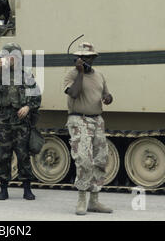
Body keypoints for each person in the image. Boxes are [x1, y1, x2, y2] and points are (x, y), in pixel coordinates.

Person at [0, 42, 41, 200]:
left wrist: (28, 107)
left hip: (21, 121)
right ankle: (3, 189)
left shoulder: (26, 75)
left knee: (23, 155)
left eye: (12, 56)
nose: (9, 59)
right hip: (3, 121)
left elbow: (37, 96)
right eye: (6, 56)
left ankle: (27, 188)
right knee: (2, 155)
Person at [63, 42, 113, 215]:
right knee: (84, 159)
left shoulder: (99, 75)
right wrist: (81, 74)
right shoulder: (72, 74)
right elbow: (74, 93)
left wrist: (108, 97)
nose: (85, 60)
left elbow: (105, 94)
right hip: (79, 120)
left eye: (88, 58)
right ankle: (81, 198)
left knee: (100, 159)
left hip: (97, 120)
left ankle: (94, 201)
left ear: (93, 58)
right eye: (82, 58)